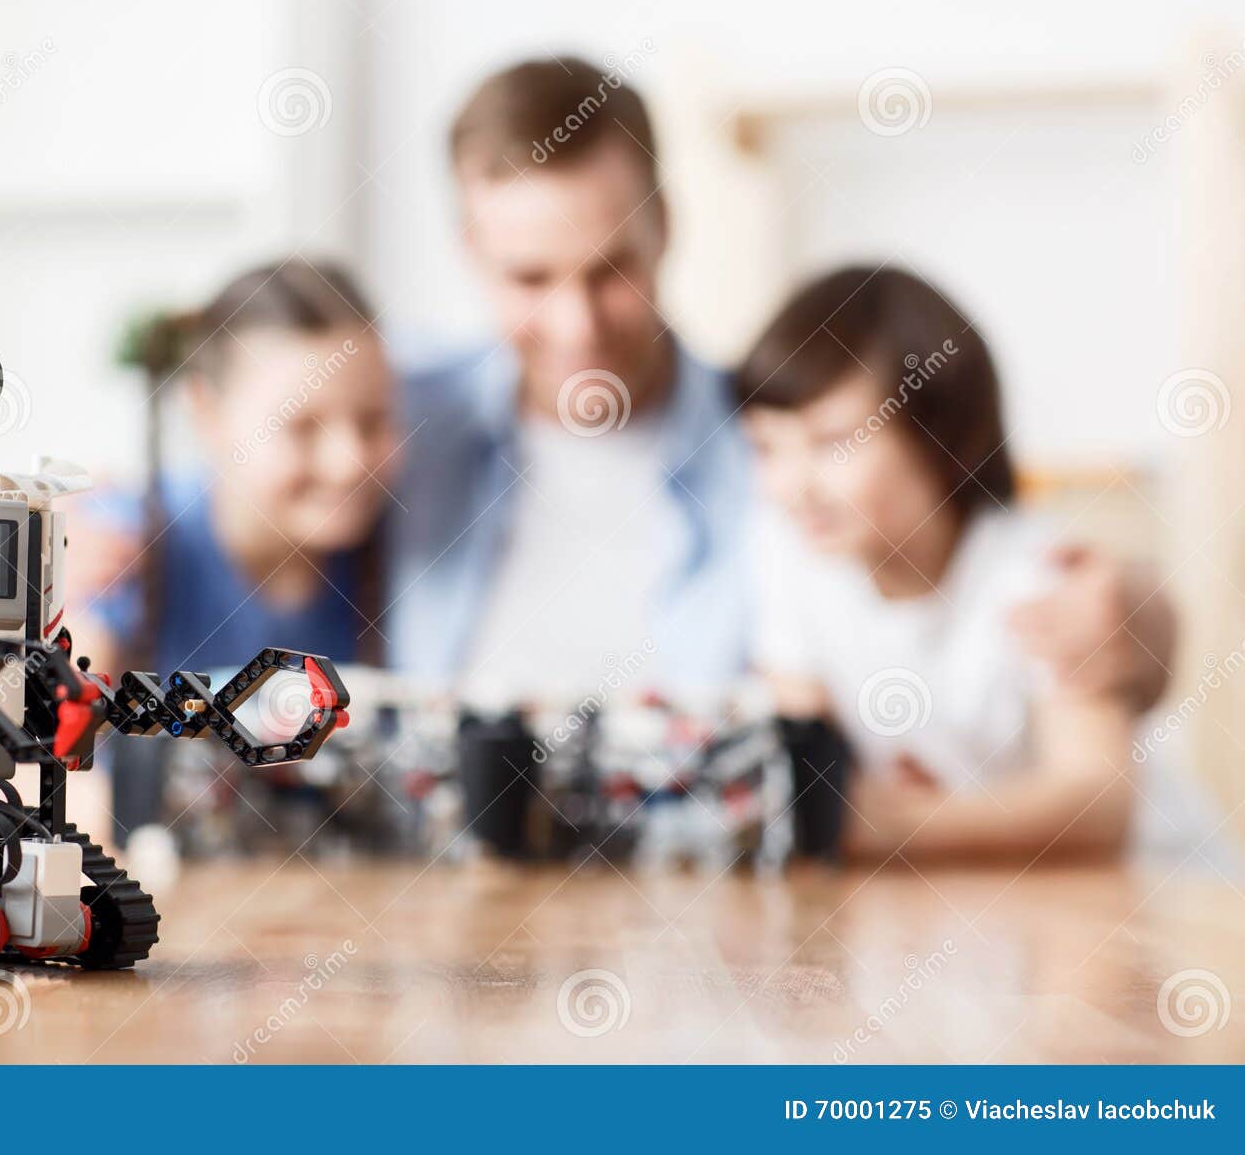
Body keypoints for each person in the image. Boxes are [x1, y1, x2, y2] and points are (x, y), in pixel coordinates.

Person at [387, 56, 1174, 715]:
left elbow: (968, 574)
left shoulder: (778, 437)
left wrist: (1139, 617)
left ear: (666, 227)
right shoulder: (392, 419)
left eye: (609, 270)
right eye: (529, 278)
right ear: (469, 251)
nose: (576, 325)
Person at [737, 266, 1205, 862]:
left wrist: (892, 826)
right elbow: (811, 778)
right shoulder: (789, 557)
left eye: (834, 442)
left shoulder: (1037, 577)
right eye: (765, 447)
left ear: (940, 434)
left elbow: (1100, 805)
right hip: (982, 902)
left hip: (1164, 892)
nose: (791, 485)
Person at [75, 258, 396, 847]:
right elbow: (50, 765)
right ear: (207, 413)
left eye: (374, 420)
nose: (350, 461)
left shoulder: (399, 552)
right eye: (303, 427)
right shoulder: (123, 542)